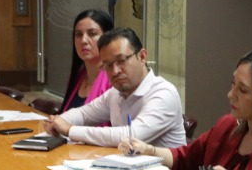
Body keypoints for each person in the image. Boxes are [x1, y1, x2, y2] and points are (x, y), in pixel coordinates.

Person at [122, 48, 252, 170]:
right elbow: (184, 158)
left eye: (243, 90)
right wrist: (148, 150)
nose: (231, 95)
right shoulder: (227, 125)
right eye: (233, 84)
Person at [43, 27, 186, 149]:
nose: (115, 71)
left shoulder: (164, 93)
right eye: (108, 65)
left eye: (121, 61)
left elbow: (131, 135)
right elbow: (83, 114)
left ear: (142, 57)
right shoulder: (115, 93)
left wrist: (70, 130)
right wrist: (58, 122)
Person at [60, 8, 114, 112]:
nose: (83, 40)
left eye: (92, 34)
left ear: (108, 37)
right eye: (78, 35)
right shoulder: (79, 76)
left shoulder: (113, 80)